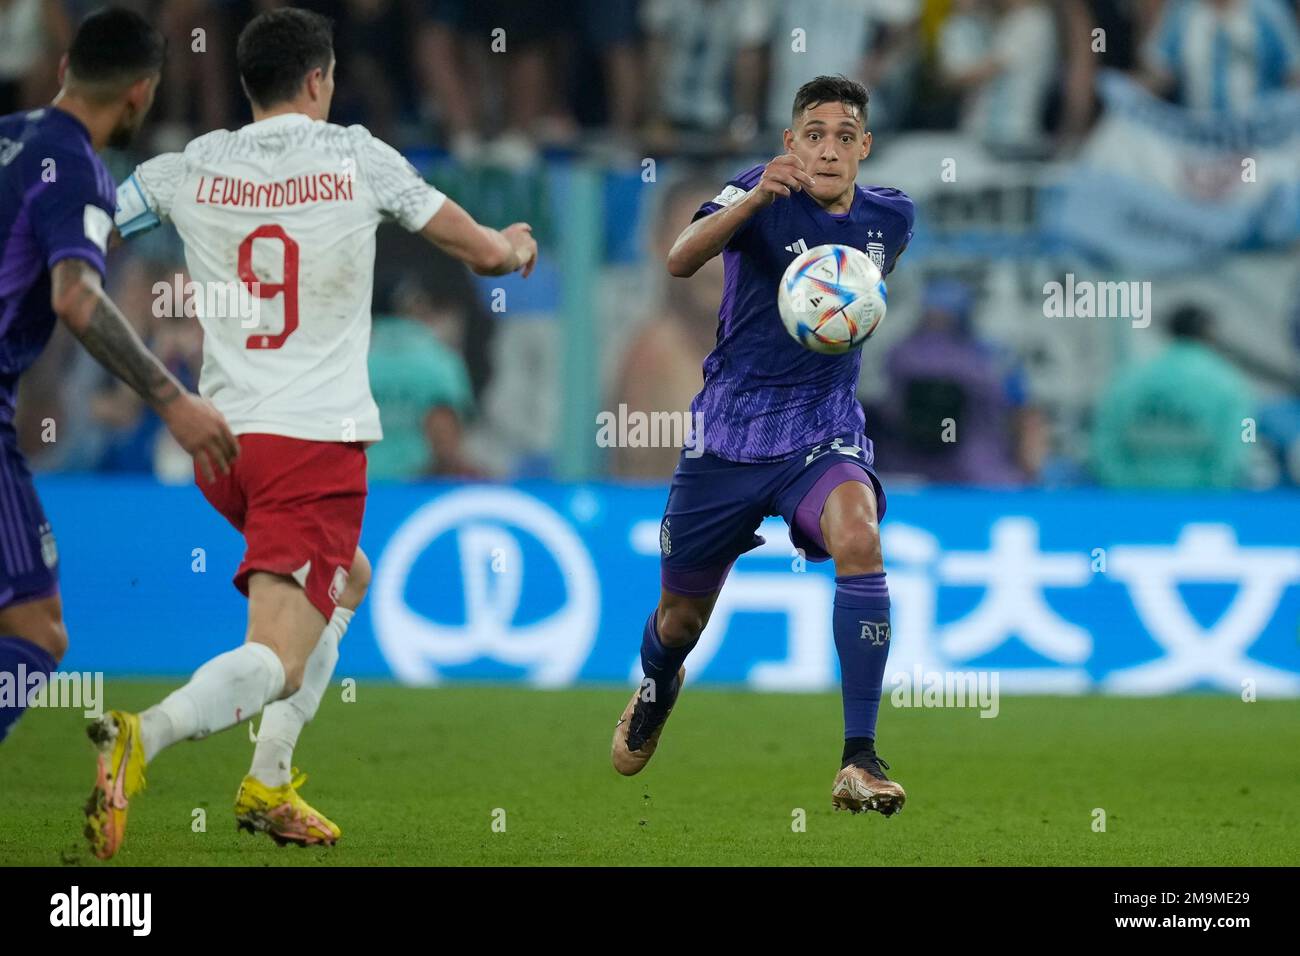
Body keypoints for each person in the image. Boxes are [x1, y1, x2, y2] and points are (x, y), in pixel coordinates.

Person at [88, 6, 536, 859]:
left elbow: (100, 221)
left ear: (248, 83)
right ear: (320, 79)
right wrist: (513, 248)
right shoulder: (356, 155)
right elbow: (477, 251)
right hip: (311, 446)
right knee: (279, 661)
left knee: (348, 578)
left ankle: (269, 781)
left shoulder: (188, 167)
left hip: (221, 443)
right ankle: (142, 737)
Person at [611, 75, 915, 816]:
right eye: (814, 132)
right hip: (727, 436)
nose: (830, 148)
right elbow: (680, 260)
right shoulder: (754, 192)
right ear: (791, 142)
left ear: (865, 147)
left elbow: (850, 304)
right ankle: (658, 685)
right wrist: (752, 201)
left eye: (846, 135)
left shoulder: (893, 219)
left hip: (821, 429)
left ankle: (859, 758)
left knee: (859, 536)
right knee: (681, 620)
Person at [0, 8, 236, 744]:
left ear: (65, 65)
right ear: (142, 93)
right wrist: (173, 400)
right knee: (36, 630)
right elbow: (76, 297)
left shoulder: (9, 138)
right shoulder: (77, 171)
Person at [1091, 305, 1254, 488]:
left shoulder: (1129, 378)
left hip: (1135, 500)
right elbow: (1237, 447)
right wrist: (1213, 490)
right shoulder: (1230, 383)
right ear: (1210, 334)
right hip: (1202, 503)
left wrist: (1124, 487)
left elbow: (1104, 441)